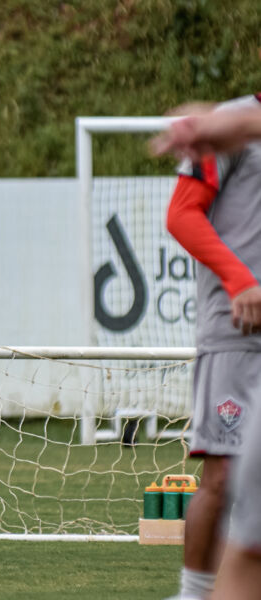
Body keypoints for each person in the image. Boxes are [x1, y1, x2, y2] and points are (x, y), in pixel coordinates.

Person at [152, 104, 261, 600]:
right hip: (240, 328)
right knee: (226, 472)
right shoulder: (234, 124)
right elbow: (179, 215)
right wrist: (241, 280)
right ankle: (192, 595)